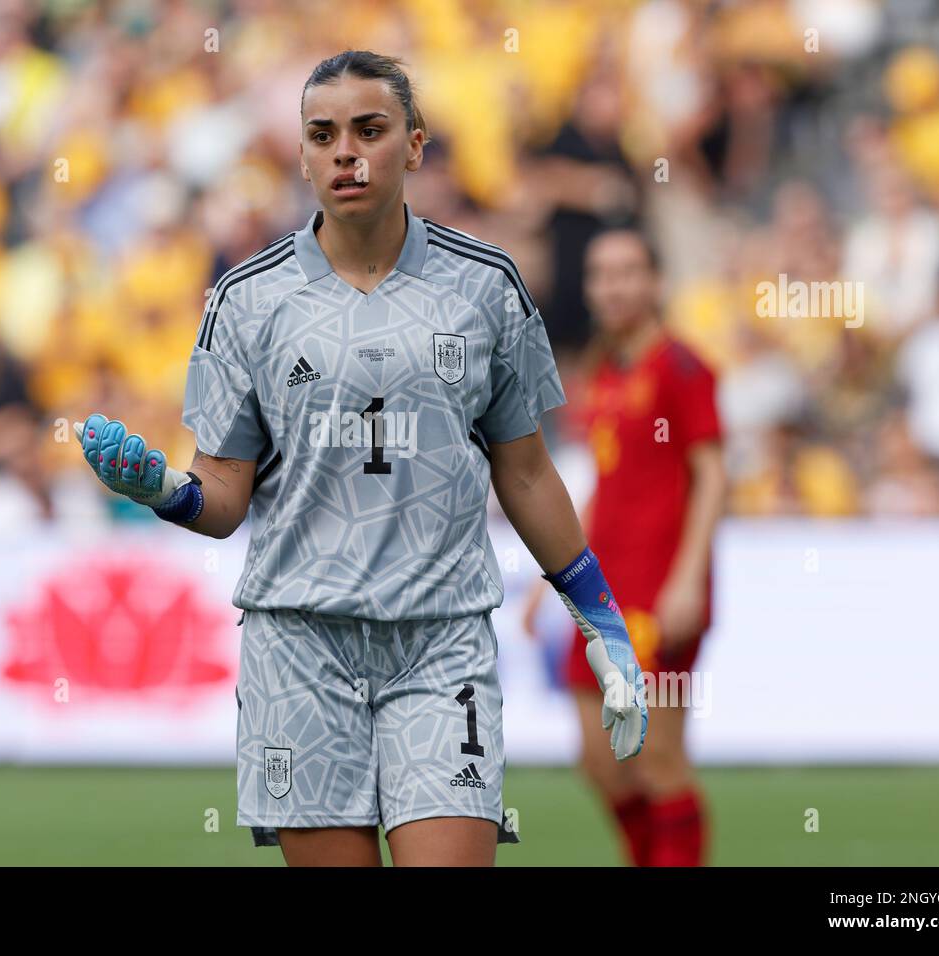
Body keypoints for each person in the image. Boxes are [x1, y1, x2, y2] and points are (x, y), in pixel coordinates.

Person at [73, 51, 647, 867]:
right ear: (303, 155)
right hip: (298, 648)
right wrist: (164, 491)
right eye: (323, 134)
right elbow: (224, 493)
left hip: (441, 639)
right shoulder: (247, 300)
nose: (347, 151)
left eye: (370, 130)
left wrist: (600, 618)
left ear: (414, 146)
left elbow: (524, 471)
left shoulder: (485, 287)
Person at [526, 227, 726, 866]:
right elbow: (604, 486)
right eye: (600, 274)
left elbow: (713, 476)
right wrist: (547, 577)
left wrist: (690, 577)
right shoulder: (603, 372)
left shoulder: (681, 367)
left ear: (655, 282)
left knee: (657, 759)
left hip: (659, 587)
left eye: (627, 272)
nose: (612, 287)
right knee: (599, 760)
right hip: (602, 596)